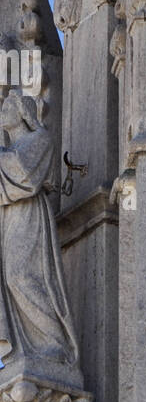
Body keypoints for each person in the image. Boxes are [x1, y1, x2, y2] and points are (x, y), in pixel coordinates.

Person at [0, 91, 79, 372]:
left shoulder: (39, 140)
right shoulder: (9, 149)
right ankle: (27, 346)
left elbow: (24, 177)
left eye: (8, 105)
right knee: (10, 279)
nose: (2, 110)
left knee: (21, 275)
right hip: (9, 215)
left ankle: (55, 343)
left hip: (29, 213)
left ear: (22, 111)